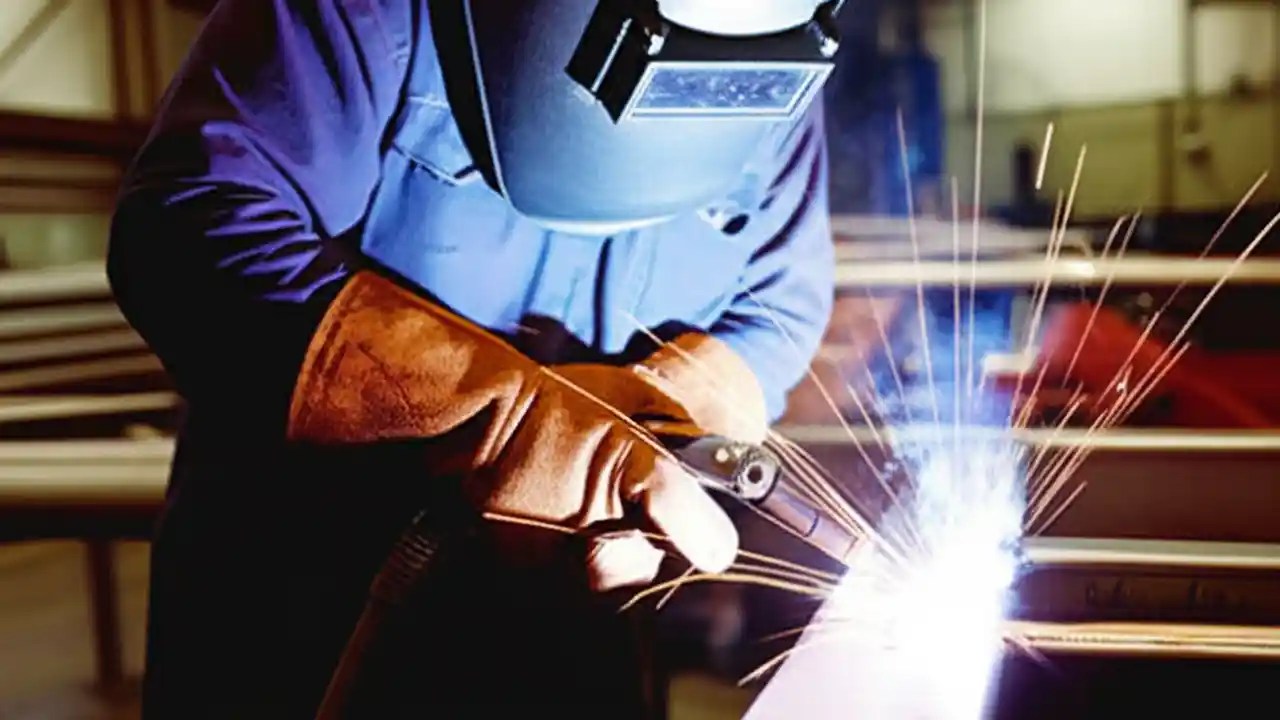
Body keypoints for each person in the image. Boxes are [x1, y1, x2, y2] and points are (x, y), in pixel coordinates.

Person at [108, 0, 838, 717]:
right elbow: (187, 231)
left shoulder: (774, 42)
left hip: (580, 631)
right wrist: (505, 419)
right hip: (302, 609)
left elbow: (781, 303)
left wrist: (663, 415)